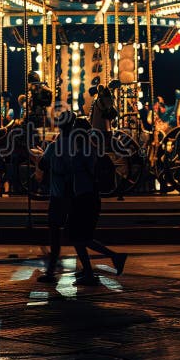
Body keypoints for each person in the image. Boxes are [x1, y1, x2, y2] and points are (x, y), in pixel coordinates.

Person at [68, 117, 127, 285]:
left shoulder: (85, 150)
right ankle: (88, 270)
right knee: (79, 237)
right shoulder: (86, 148)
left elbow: (88, 173)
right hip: (84, 195)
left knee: (80, 238)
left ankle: (113, 257)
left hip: (86, 196)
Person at [36, 111, 75, 282]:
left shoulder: (54, 146)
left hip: (58, 194)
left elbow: (43, 164)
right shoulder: (77, 145)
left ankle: (51, 270)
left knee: (54, 231)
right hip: (74, 193)